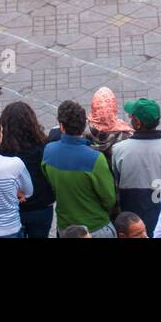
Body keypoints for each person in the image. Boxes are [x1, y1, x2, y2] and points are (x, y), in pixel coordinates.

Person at [109, 97, 161, 235]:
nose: (129, 118)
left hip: (134, 220)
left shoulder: (118, 150)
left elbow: (116, 178)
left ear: (138, 122)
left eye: (131, 116)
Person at [42, 100, 116, 237]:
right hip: (96, 226)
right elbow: (109, 198)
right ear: (84, 126)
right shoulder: (96, 158)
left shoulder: (48, 152)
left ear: (62, 127)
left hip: (66, 227)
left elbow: (50, 183)